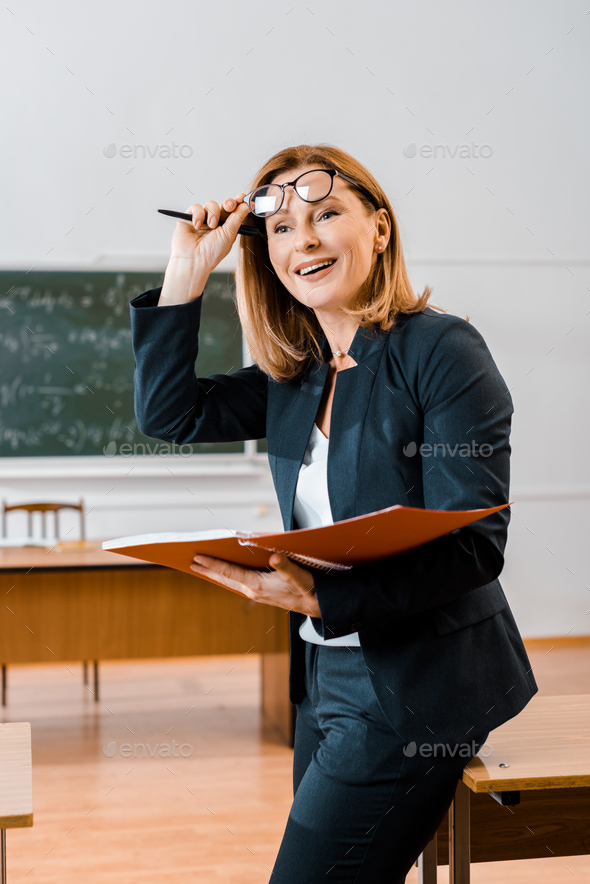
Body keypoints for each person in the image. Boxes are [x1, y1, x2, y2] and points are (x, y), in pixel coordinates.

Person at [129, 144, 538, 883]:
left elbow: (475, 543)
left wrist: (326, 595)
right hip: (325, 679)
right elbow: (170, 415)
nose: (304, 239)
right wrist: (187, 275)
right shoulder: (296, 373)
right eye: (281, 228)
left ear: (378, 230)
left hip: (416, 683)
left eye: (326, 215)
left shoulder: (441, 349)